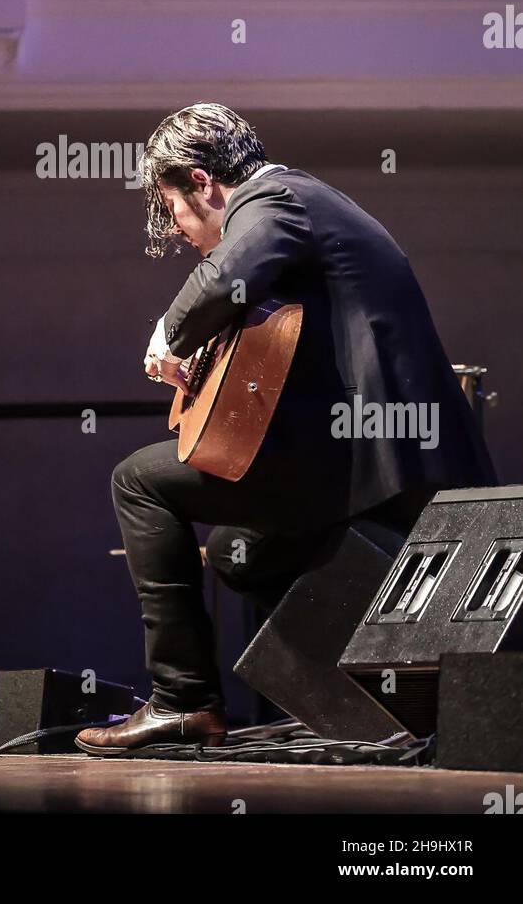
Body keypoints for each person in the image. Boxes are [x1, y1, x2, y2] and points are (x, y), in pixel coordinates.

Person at [75, 103, 497, 754]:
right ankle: (367, 701)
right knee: (242, 551)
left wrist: (170, 334)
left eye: (176, 209)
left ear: (202, 181)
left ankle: (183, 702)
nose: (182, 231)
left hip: (365, 453)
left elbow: (225, 277)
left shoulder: (276, 199)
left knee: (138, 481)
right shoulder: (309, 207)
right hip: (369, 452)